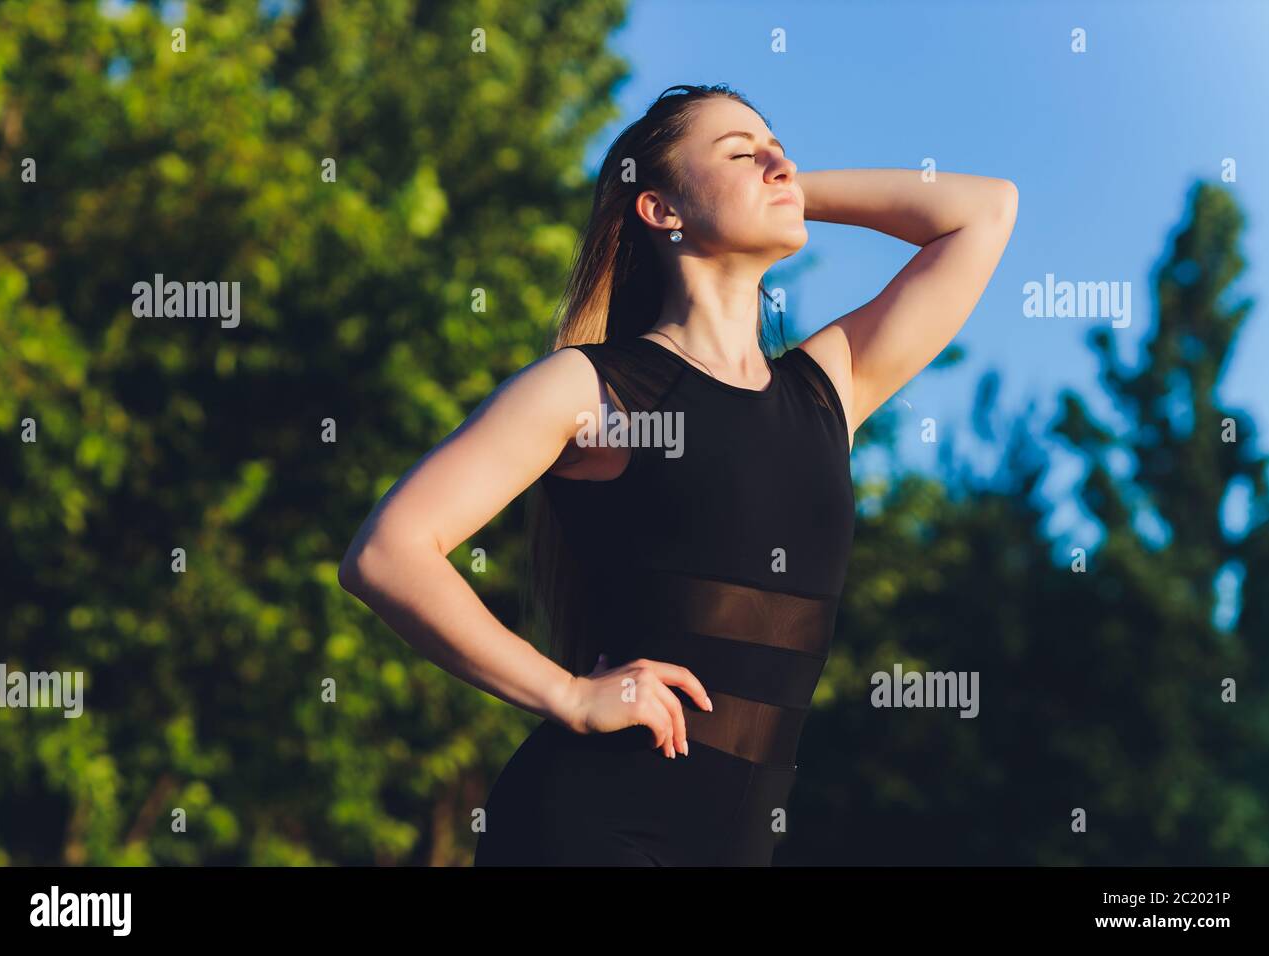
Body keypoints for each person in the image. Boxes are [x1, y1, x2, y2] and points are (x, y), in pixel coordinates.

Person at [338, 83, 1017, 865]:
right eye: (741, 152)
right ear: (661, 209)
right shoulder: (592, 387)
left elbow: (985, 211)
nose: (779, 161)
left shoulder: (829, 385)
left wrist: (780, 187)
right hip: (594, 830)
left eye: (779, 147)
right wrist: (567, 694)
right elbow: (386, 553)